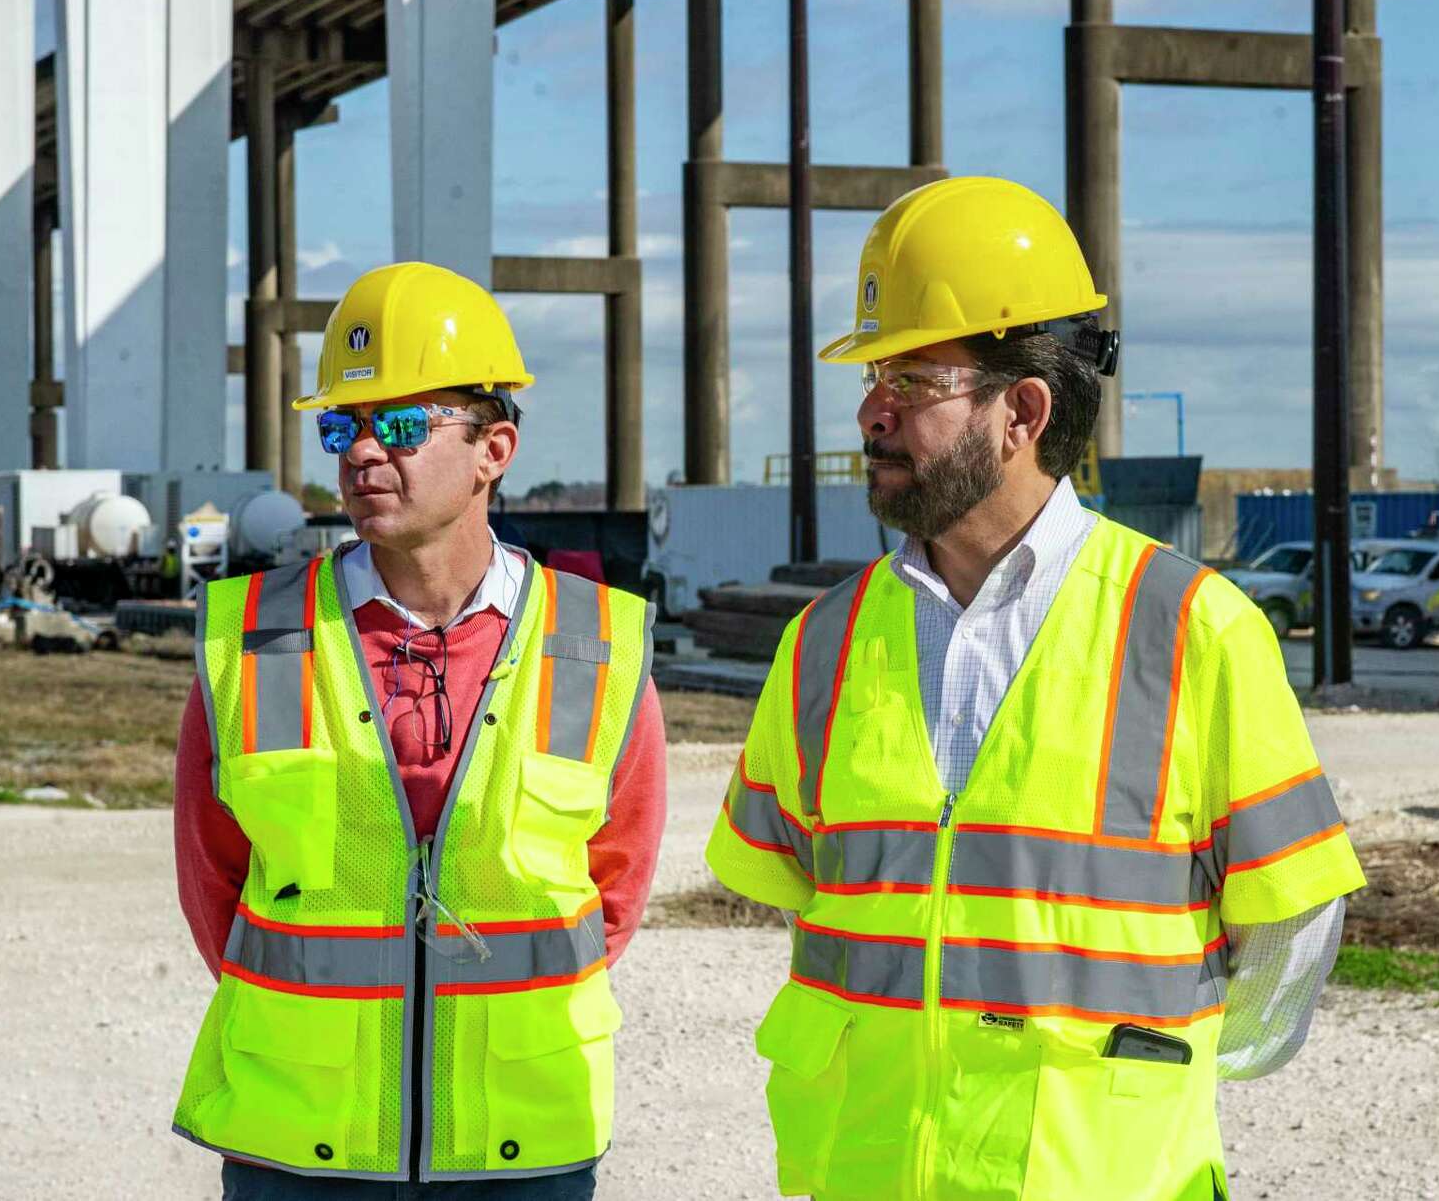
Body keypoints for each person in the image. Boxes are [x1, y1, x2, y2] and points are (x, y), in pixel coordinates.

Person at [703, 176, 1367, 1200]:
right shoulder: (820, 643)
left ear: (1022, 410)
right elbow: (815, 909)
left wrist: (1150, 1079)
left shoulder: (1193, 630)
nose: (872, 410)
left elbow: (1291, 933)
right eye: (874, 374)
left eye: (913, 379)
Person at [170, 262, 666, 1197]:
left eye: (399, 425)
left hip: (521, 1137)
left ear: (494, 449)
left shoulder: (595, 643)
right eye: (342, 426)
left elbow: (616, 883)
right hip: (302, 1142)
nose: (362, 453)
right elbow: (215, 883)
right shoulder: (257, 639)